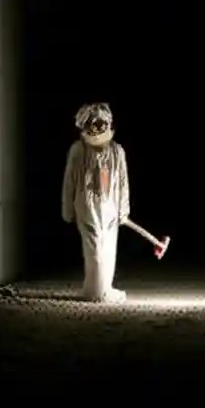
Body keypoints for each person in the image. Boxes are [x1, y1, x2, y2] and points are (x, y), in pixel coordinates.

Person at [62, 102, 130, 302]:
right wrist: (67, 209)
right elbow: (69, 181)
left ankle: (104, 288)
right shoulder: (78, 150)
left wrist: (123, 209)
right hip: (87, 208)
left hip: (110, 208)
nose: (100, 128)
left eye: (103, 123)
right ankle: (95, 291)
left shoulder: (117, 151)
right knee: (95, 251)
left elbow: (123, 182)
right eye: (96, 123)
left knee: (108, 249)